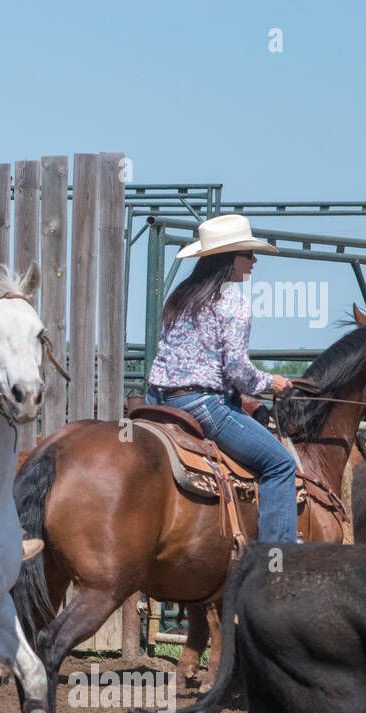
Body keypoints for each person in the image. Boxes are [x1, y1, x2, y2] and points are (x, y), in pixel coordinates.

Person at [145, 213, 298, 542]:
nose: (254, 260)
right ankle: (278, 563)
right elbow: (238, 372)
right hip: (202, 405)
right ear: (229, 260)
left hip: (156, 401)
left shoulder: (181, 297)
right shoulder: (233, 304)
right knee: (281, 464)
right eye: (248, 254)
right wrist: (272, 382)